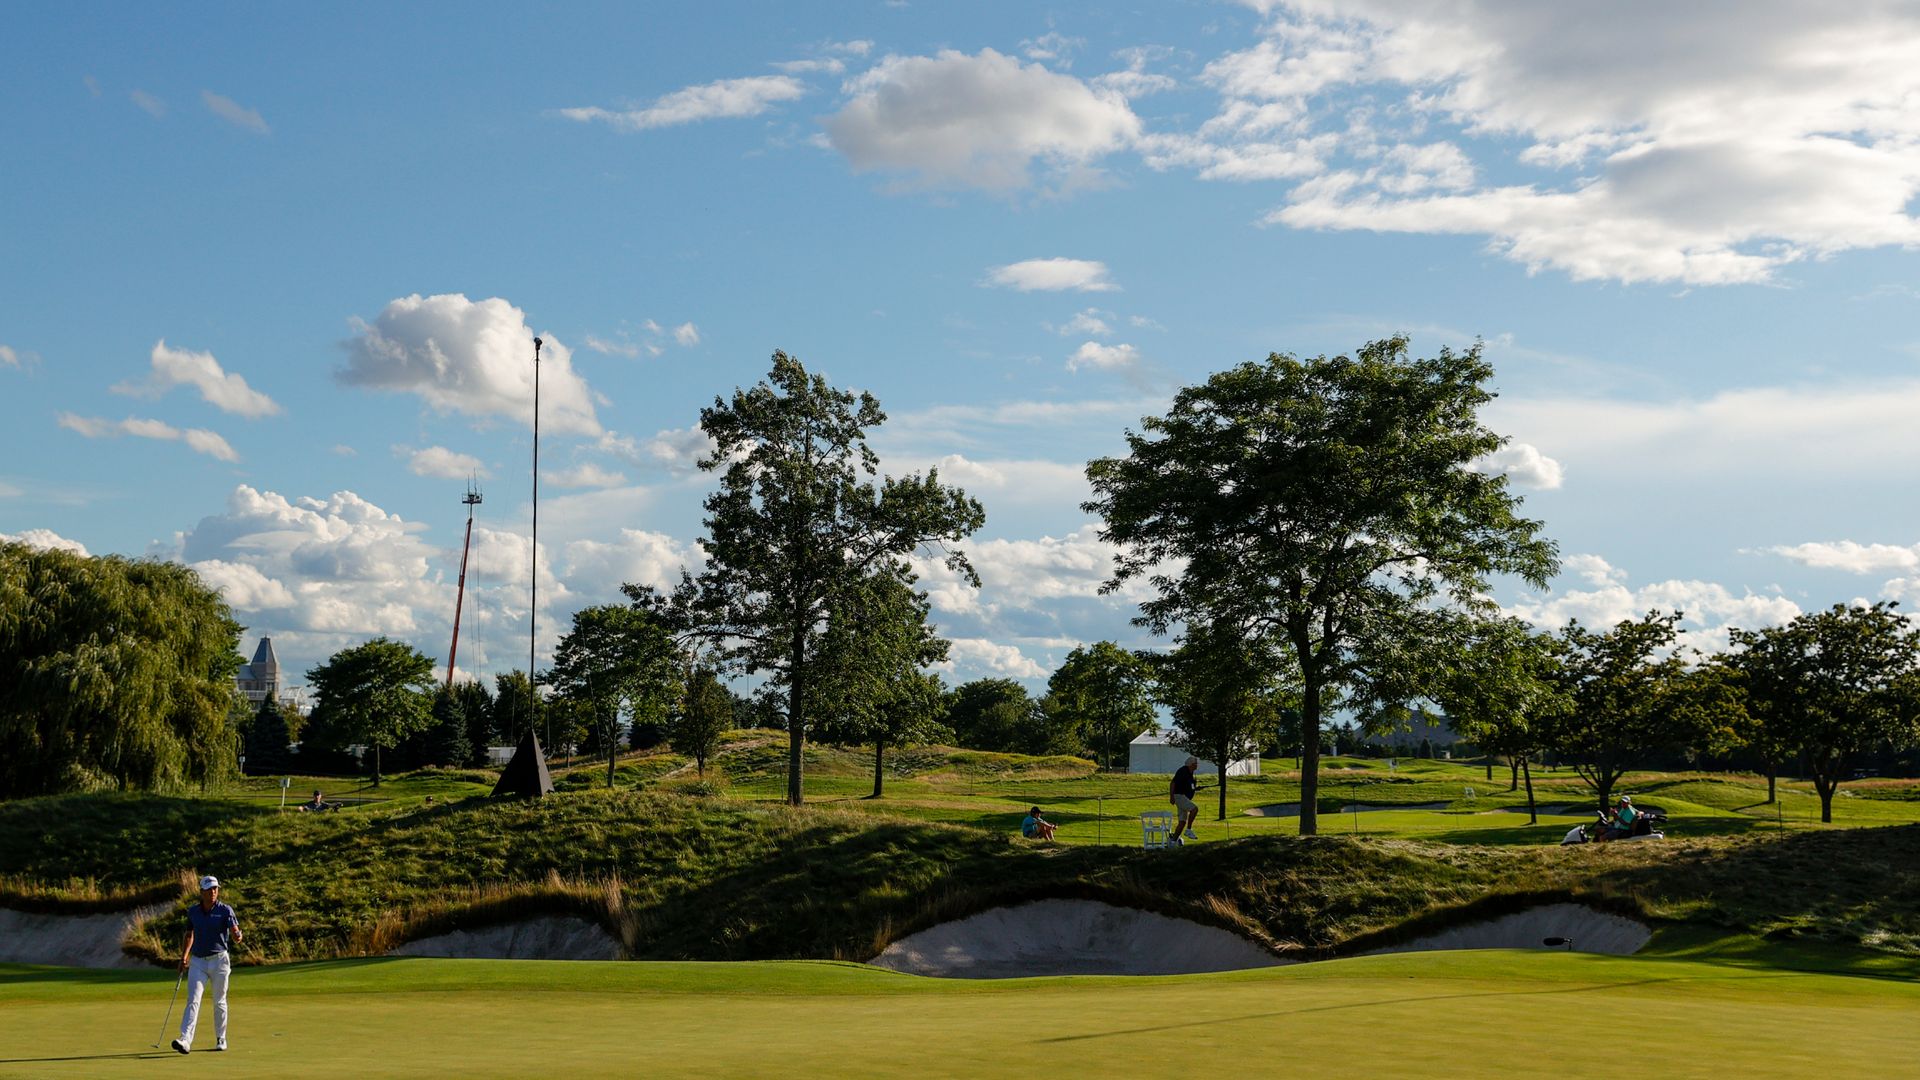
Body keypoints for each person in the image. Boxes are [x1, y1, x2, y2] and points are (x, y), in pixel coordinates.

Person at [172, 875, 242, 1054]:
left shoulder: (225, 910)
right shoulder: (193, 912)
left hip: (220, 961)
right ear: (201, 892)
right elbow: (189, 934)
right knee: (193, 999)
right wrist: (184, 957)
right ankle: (185, 1040)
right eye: (209, 889)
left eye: (215, 889)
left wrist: (237, 935)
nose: (213, 892)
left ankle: (221, 1038)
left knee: (219, 1001)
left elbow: (235, 933)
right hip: (198, 961)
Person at [1169, 756, 1200, 844]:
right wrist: (1171, 796)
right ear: (1190, 764)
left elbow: (1189, 786)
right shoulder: (1183, 771)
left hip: (1184, 798)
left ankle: (1173, 842)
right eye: (1195, 764)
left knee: (1182, 822)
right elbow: (1173, 783)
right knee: (1194, 809)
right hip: (1179, 796)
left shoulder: (1191, 773)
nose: (1197, 765)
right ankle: (1189, 830)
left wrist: (1196, 788)